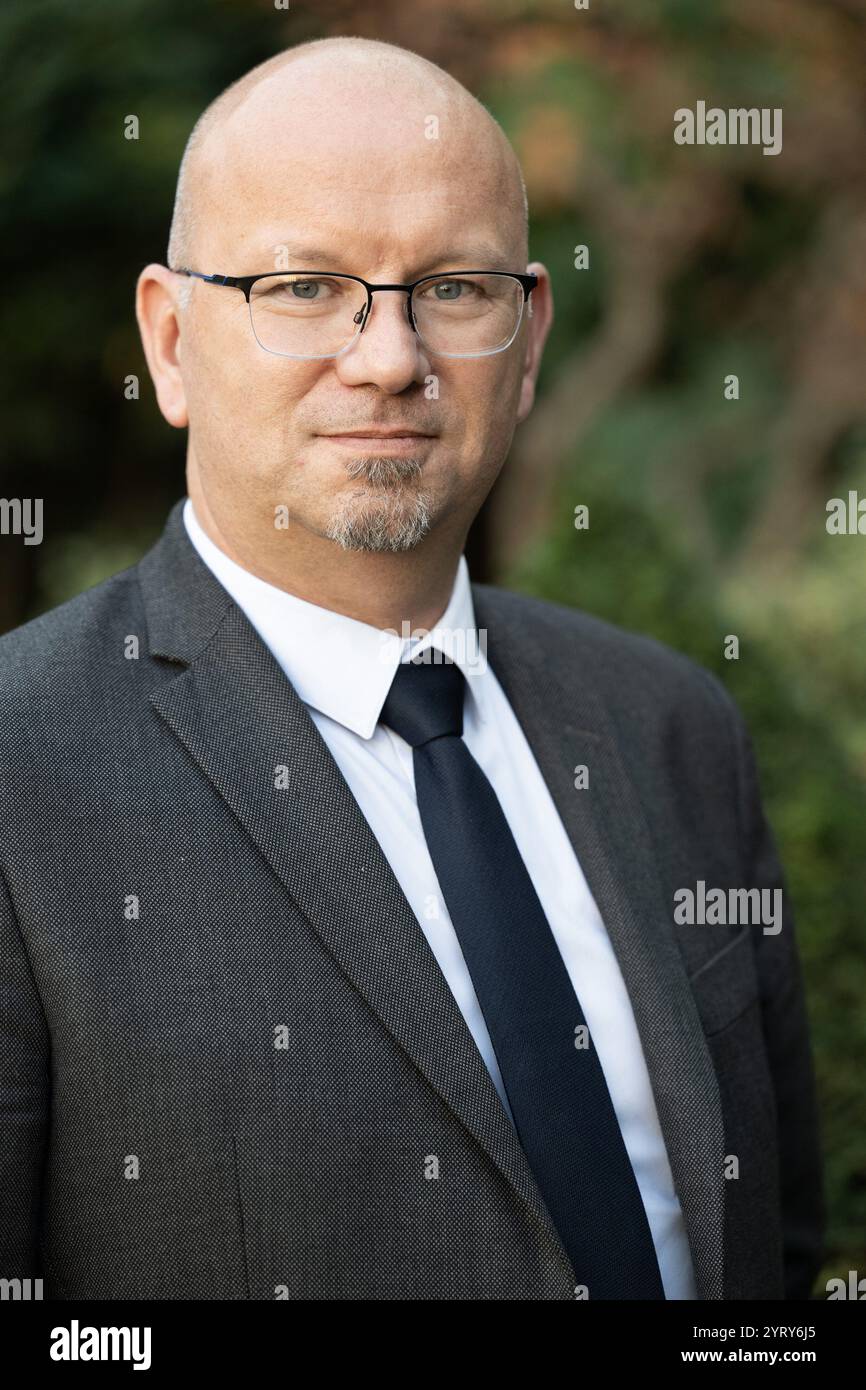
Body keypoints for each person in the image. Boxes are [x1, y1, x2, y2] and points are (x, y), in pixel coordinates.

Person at [0, 36, 823, 1300]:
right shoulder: (21, 767)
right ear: (169, 341)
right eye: (304, 286)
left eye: (450, 286)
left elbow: (773, 1246)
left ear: (530, 333)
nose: (388, 356)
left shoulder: (668, 725)